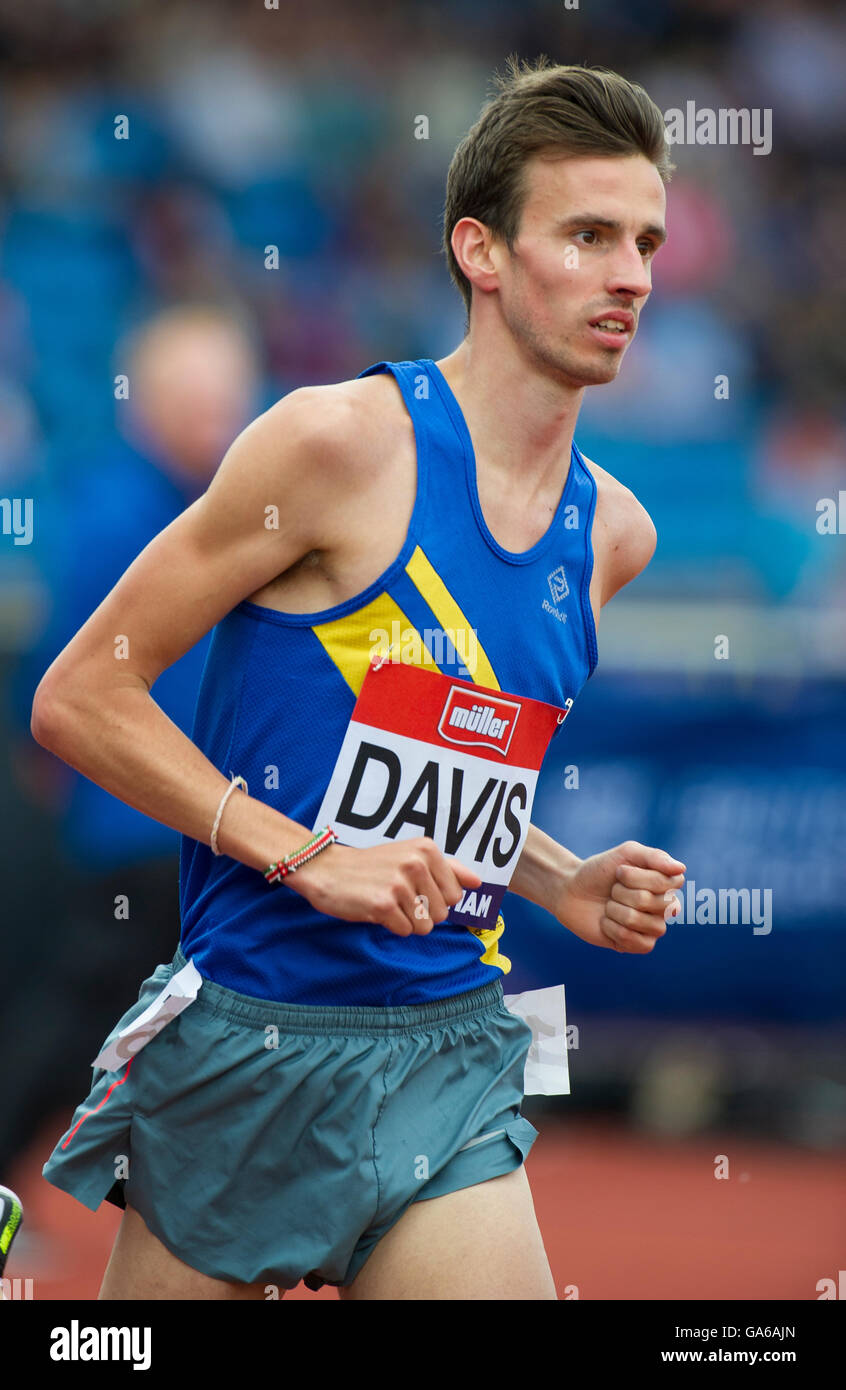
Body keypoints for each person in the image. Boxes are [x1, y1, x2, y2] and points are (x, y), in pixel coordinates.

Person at [31, 58, 686, 1301]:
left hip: (450, 1054)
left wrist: (557, 877)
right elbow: (80, 696)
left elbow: (443, 771)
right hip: (250, 1043)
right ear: (480, 252)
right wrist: (304, 855)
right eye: (590, 235)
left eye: (646, 240)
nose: (632, 277)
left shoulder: (614, 536)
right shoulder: (333, 444)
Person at [0, 303, 259, 1182]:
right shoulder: (121, 515)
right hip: (138, 832)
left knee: (135, 1023)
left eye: (229, 396)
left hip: (201, 829)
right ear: (141, 402)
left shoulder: (229, 509)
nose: (217, 417)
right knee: (87, 1018)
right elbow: (55, 683)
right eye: (195, 397)